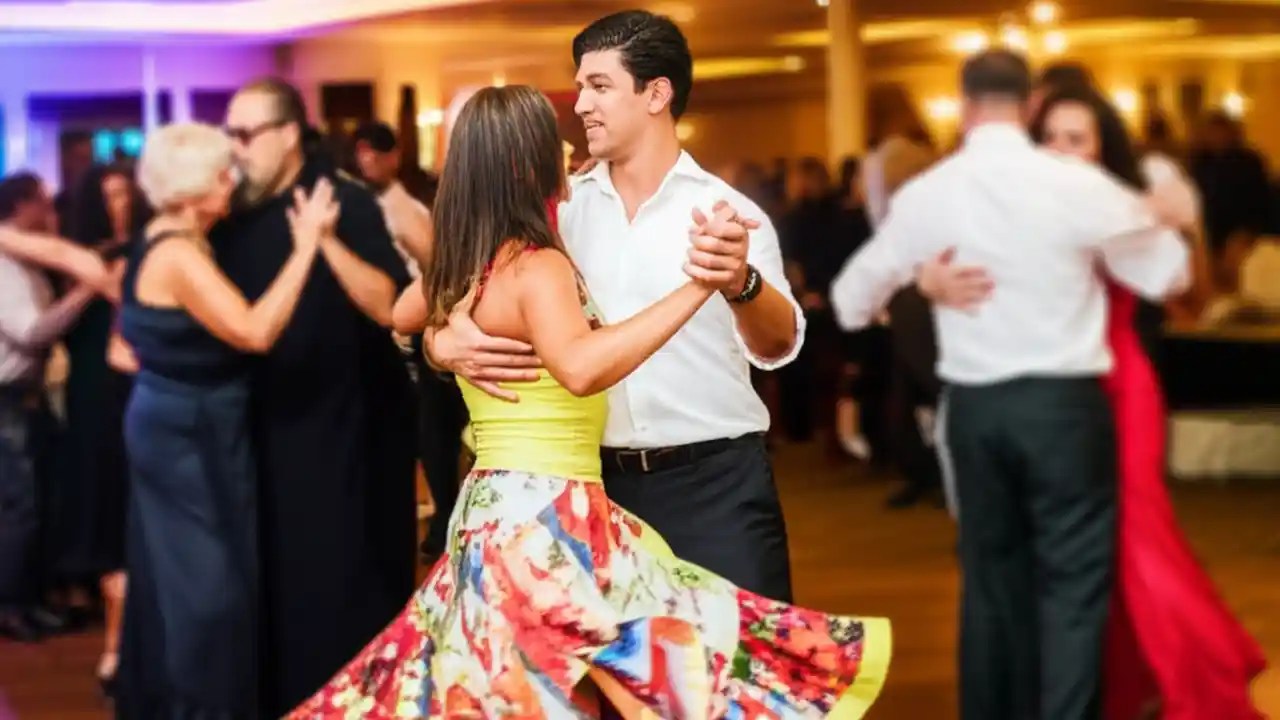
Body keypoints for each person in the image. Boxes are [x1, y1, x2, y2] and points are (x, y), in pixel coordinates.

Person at [289, 82, 890, 720]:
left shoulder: (471, 259)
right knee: (650, 678)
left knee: (544, 695)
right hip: (543, 514)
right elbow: (579, 368)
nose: (571, 149)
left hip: (501, 510)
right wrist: (697, 288)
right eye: (556, 141)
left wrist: (444, 337)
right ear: (526, 165)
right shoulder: (537, 266)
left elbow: (404, 313)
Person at [830, 50, 1191, 720]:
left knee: (991, 585)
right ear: (1028, 108)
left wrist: (922, 282)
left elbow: (851, 302)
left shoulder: (929, 193)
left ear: (966, 108)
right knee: (1073, 585)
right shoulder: (1073, 184)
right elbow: (1169, 274)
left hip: (977, 410)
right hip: (1064, 407)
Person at [426, 10, 804, 603]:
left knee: (739, 657)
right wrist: (441, 344)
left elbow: (778, 346)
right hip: (597, 494)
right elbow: (458, 297)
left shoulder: (726, 212)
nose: (580, 105)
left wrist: (740, 281)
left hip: (716, 486)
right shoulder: (561, 214)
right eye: (581, 86)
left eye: (599, 86)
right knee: (619, 667)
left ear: (656, 94)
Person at [924, 85, 1266, 720]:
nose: (1061, 150)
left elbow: (1185, 293)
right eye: (1050, 138)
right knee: (1064, 556)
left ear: (1104, 147)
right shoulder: (1017, 209)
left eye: (1077, 139)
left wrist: (1172, 223)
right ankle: (1114, 689)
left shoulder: (1121, 206)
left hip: (1120, 390)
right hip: (1045, 399)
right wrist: (931, 279)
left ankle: (1203, 682)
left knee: (1138, 538)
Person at [214, 78, 417, 714]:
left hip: (346, 431)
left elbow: (389, 304)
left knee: (341, 590)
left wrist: (323, 241)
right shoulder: (232, 214)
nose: (235, 147)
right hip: (261, 429)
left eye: (246, 134)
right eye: (230, 134)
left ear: (288, 135)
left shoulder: (342, 202)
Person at [116, 122, 332, 717]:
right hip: (186, 433)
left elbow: (126, 344)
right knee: (207, 591)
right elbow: (255, 331)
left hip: (175, 422)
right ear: (191, 188)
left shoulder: (165, 236)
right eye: (220, 174)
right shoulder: (178, 254)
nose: (231, 181)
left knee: (180, 577)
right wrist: (308, 243)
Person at [352, 120, 467, 565]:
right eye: (362, 152)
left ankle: (445, 521)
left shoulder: (403, 209)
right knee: (428, 434)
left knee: (434, 434)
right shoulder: (367, 204)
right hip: (403, 326)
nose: (367, 160)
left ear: (393, 158)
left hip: (421, 325)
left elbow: (438, 269)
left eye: (376, 153)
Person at [56, 163, 149, 693]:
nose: (120, 204)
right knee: (104, 507)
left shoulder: (144, 253)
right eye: (110, 196)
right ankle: (115, 642)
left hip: (140, 387)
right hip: (93, 393)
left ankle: (122, 643)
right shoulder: (84, 257)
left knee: (132, 508)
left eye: (125, 194)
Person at [0, 173, 102, 643]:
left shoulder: (27, 260)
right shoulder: (5, 265)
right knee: (19, 506)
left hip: (25, 395)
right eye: (42, 202)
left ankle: (31, 601)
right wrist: (88, 289)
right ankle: (11, 608)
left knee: (37, 501)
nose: (50, 212)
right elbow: (32, 331)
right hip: (5, 397)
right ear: (21, 206)